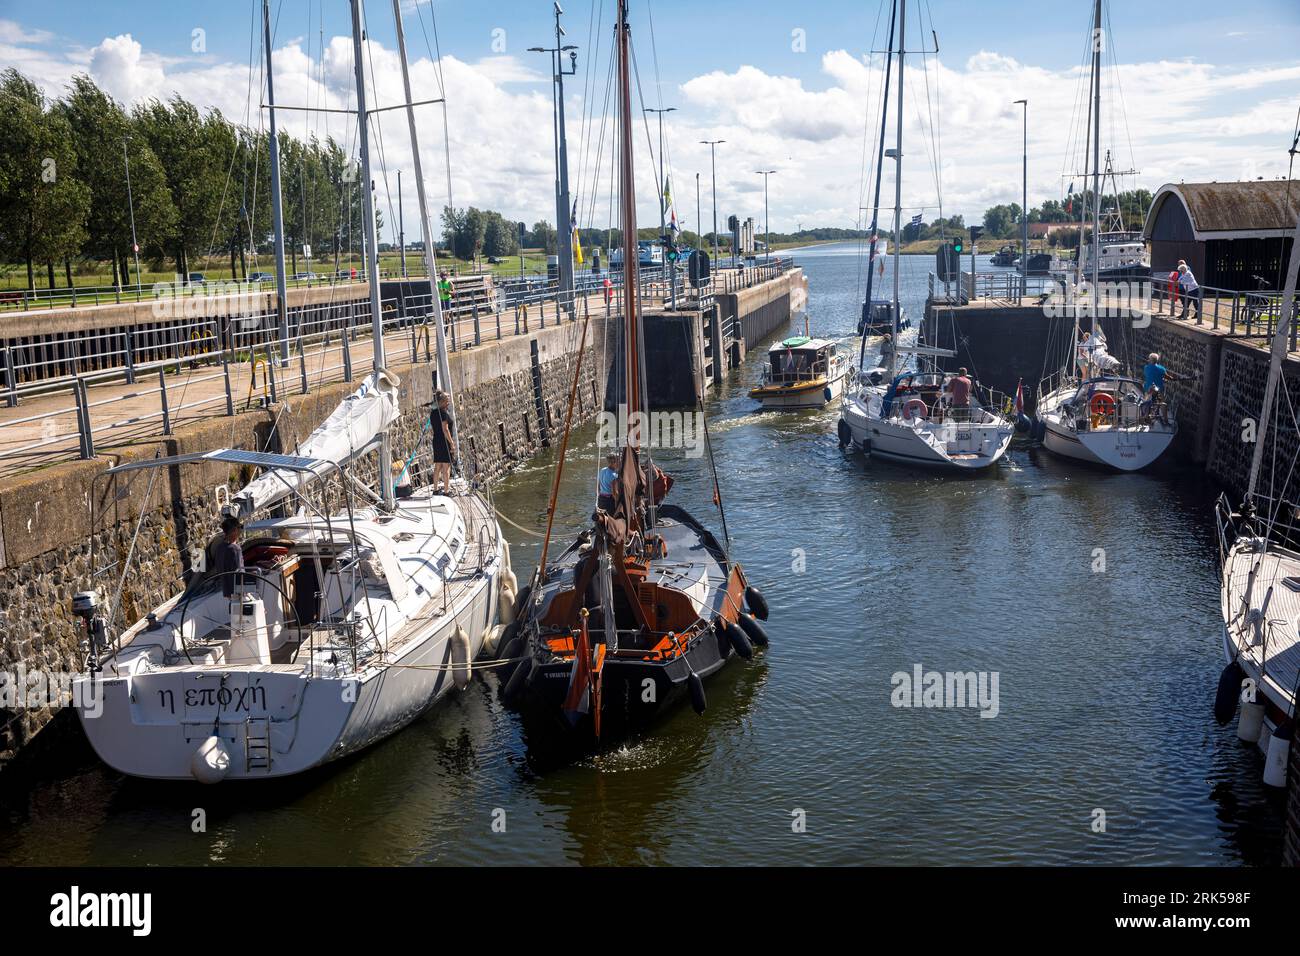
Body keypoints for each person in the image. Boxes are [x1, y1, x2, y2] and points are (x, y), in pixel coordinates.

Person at [429, 390, 455, 492]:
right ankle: (446, 491)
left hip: (436, 441)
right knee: (446, 467)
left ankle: (435, 489)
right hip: (444, 442)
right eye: (447, 401)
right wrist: (452, 443)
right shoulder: (443, 413)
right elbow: (445, 429)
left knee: (437, 466)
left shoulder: (433, 413)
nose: (448, 403)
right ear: (441, 402)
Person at [214, 516, 244, 598]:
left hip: (226, 591)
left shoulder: (219, 548)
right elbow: (239, 572)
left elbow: (219, 568)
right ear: (234, 530)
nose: (240, 530)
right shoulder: (235, 549)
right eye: (240, 527)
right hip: (237, 592)